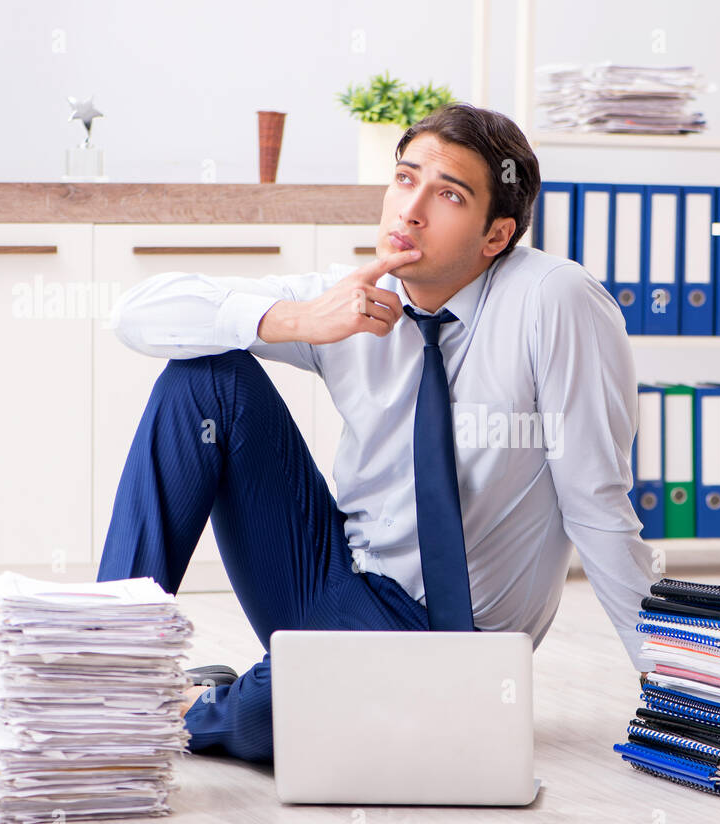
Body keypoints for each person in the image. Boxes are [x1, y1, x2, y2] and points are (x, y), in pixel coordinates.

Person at [100, 102, 660, 762]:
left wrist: (678, 684)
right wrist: (295, 319)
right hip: (329, 579)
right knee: (204, 380)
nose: (410, 209)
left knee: (268, 720)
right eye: (404, 178)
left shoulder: (553, 300)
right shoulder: (354, 296)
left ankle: (205, 705)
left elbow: (596, 502)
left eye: (448, 194)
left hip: (452, 644)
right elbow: (132, 314)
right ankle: (102, 670)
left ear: (495, 236)